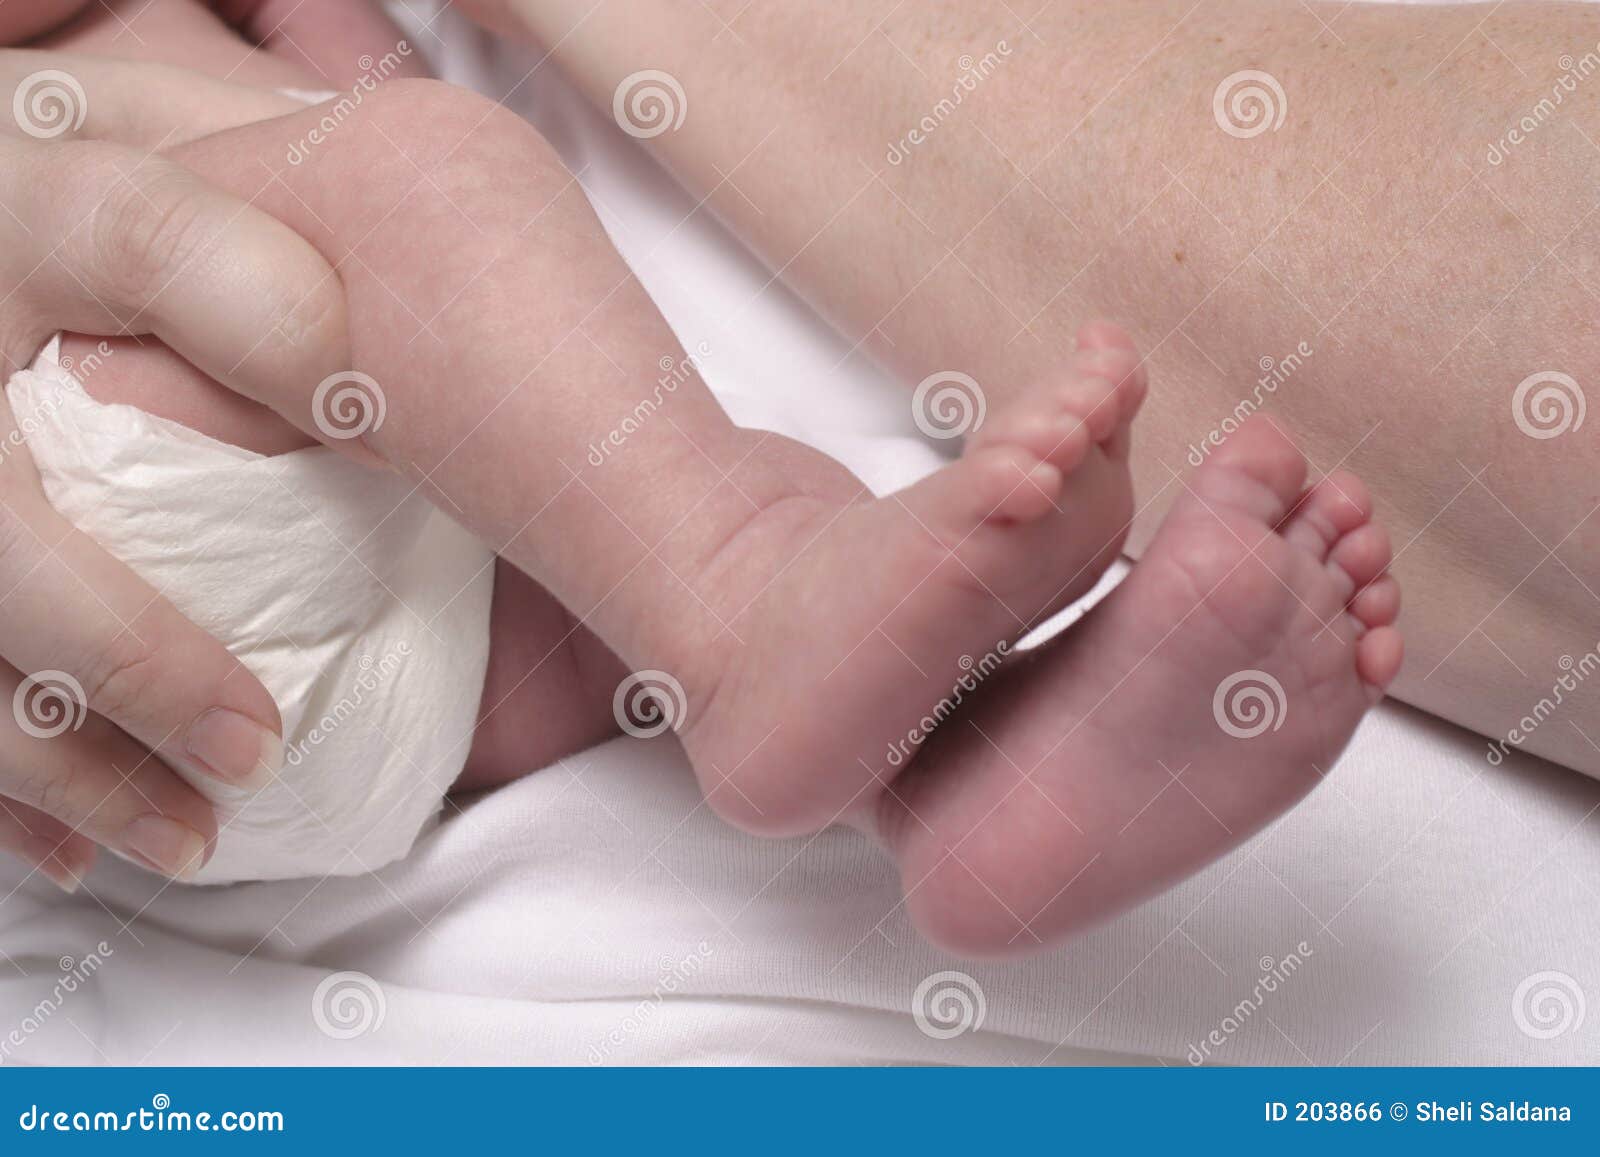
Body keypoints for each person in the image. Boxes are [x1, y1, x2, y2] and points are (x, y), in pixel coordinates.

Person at [0, 0, 1400, 951]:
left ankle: (950, 770)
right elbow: (398, 147)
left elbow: (382, 123)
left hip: (331, 717)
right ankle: (743, 620)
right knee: (441, 180)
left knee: (683, 510)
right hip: (103, 485)